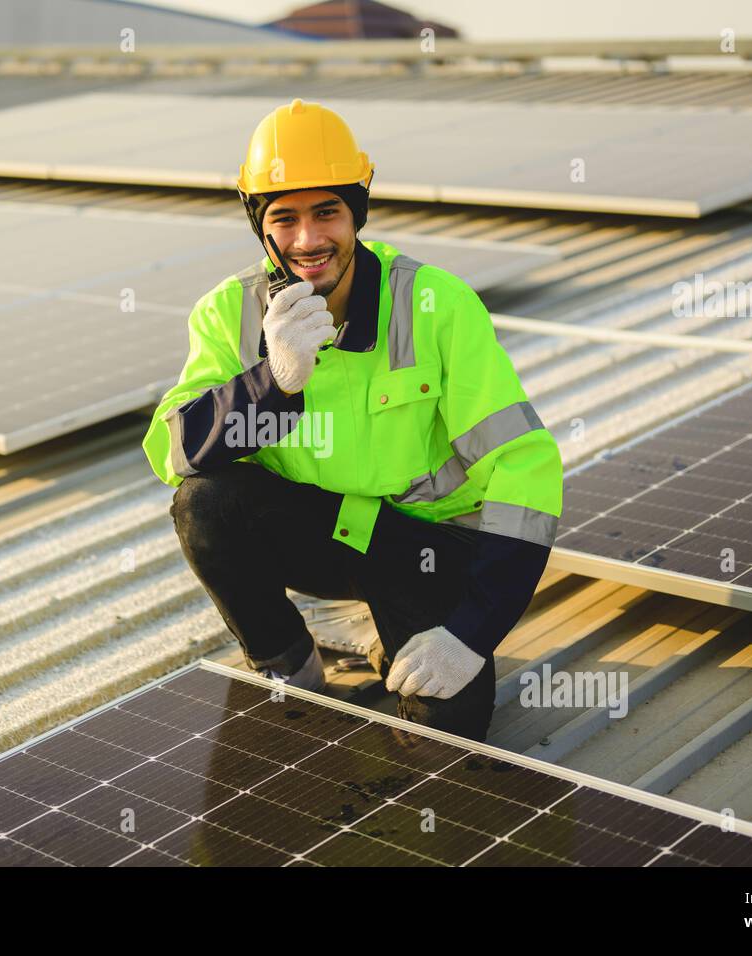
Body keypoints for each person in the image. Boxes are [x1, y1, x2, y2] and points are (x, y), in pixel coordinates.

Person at [142, 98, 562, 742]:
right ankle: (289, 661)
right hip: (326, 532)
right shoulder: (229, 313)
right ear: (260, 225)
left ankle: (390, 629)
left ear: (357, 210)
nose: (308, 240)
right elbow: (173, 453)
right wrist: (270, 383)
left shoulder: (436, 305)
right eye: (284, 218)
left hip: (422, 548)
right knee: (204, 504)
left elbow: (526, 473)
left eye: (327, 212)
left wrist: (470, 632)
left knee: (445, 730)